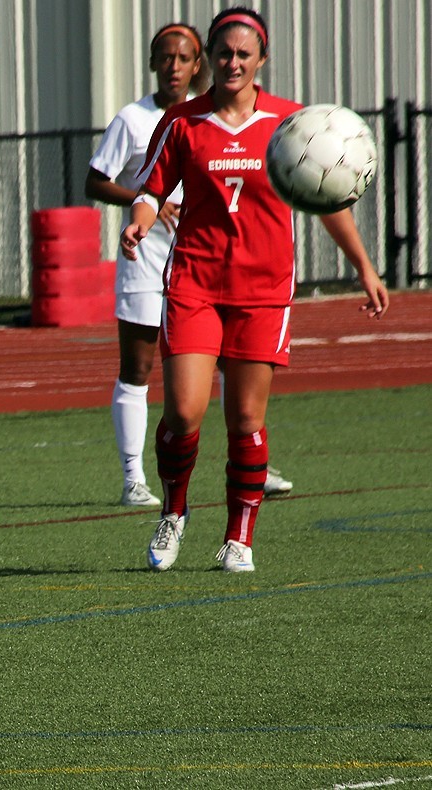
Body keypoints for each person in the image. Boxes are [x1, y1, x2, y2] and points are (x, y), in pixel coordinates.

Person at [120, 7, 388, 573]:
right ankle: (173, 512)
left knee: (245, 420)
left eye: (244, 54)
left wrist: (364, 266)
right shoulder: (184, 121)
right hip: (194, 283)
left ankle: (238, 538)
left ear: (261, 59)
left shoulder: (295, 125)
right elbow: (151, 188)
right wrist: (141, 220)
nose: (233, 62)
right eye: (224, 53)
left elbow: (329, 199)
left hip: (263, 290)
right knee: (184, 414)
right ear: (209, 61)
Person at [88, 23, 294, 508]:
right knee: (145, 372)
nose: (175, 67)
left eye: (184, 59)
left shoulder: (245, 118)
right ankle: (134, 476)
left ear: (197, 63)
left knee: (233, 378)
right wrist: (146, 210)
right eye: (166, 58)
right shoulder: (139, 119)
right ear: (154, 62)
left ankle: (245, 466)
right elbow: (99, 181)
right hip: (154, 259)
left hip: (222, 264)